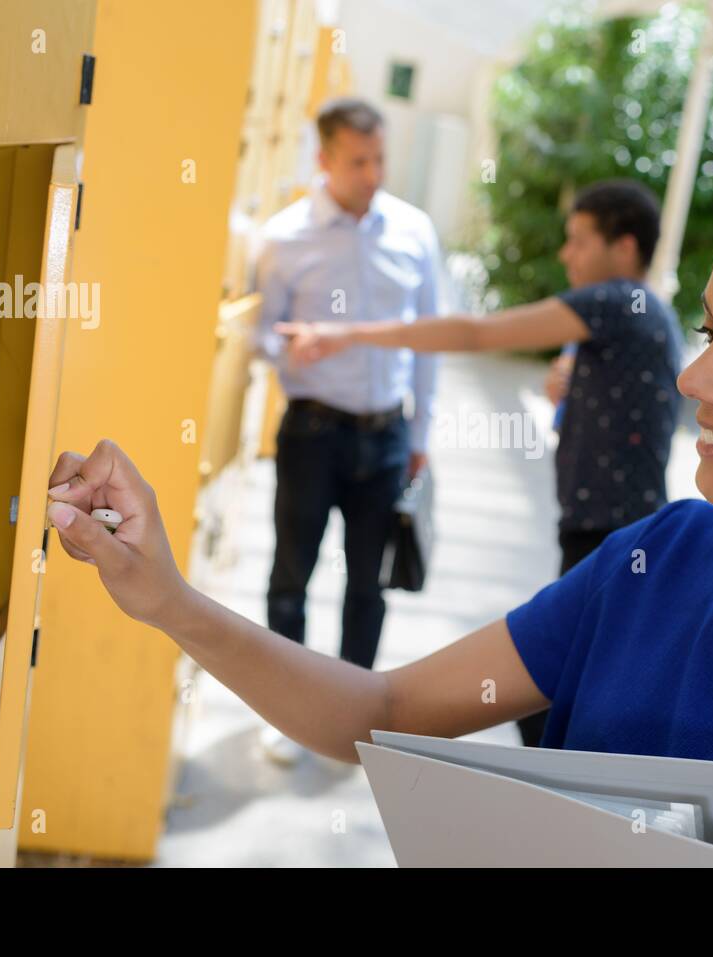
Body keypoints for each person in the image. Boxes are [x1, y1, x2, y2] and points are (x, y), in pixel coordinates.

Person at [44, 170, 713, 866]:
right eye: (706, 331)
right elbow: (375, 712)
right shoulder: (659, 558)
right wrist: (168, 600)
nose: (696, 376)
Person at [276, 178, 684, 748]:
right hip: (615, 532)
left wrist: (345, 333)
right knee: (561, 687)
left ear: (624, 248)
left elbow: (474, 331)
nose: (566, 254)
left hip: (608, 537)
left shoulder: (614, 301)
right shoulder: (646, 314)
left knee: (547, 695)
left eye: (579, 241)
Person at [247, 97, 445, 765]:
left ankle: (355, 720)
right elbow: (258, 333)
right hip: (311, 432)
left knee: (369, 584)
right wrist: (286, 353)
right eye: (358, 161)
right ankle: (289, 717)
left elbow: (428, 339)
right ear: (324, 160)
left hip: (387, 435)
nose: (372, 173)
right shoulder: (283, 238)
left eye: (380, 158)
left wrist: (421, 433)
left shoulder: (414, 231)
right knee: (290, 576)